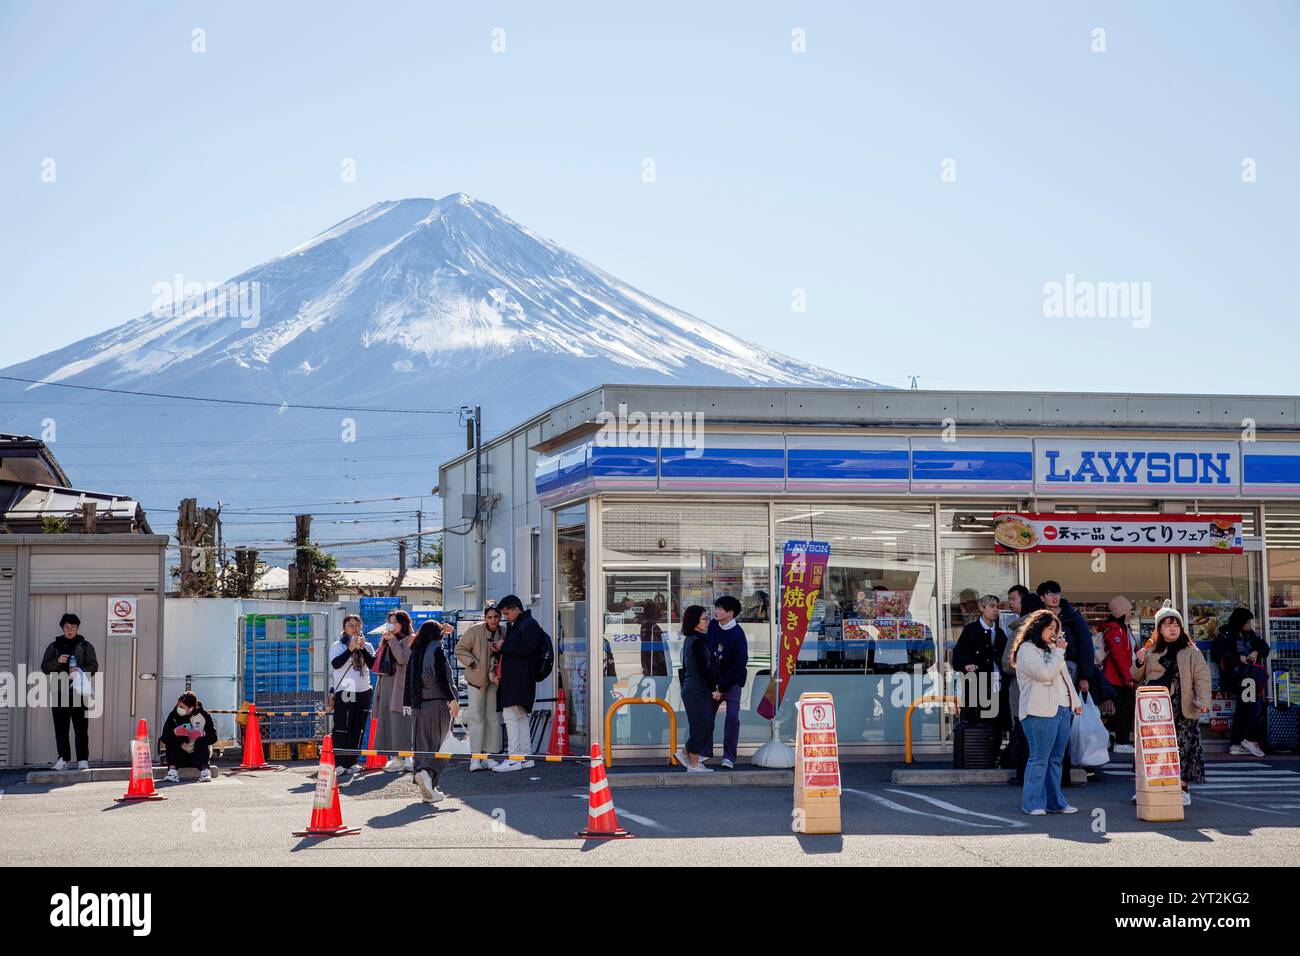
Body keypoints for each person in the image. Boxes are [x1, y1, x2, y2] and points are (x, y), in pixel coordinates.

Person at [1132, 603, 1211, 806]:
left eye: (1176, 624)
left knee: (1184, 747)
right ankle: (1150, 786)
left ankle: (1182, 788)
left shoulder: (1192, 651)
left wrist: (1203, 701)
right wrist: (1139, 662)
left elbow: (1202, 677)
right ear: (1159, 629)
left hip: (1183, 705)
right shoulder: (1150, 652)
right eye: (1167, 625)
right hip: (1156, 707)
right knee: (1155, 747)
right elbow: (1135, 676)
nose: (1172, 628)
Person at [1010, 608, 1083, 815]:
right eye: (1049, 628)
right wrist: (1059, 652)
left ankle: (1055, 802)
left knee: (1056, 758)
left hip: (1062, 708)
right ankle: (1032, 803)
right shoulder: (1027, 649)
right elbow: (1045, 674)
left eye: (1056, 628)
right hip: (1038, 710)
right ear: (1037, 627)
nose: (1053, 632)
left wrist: (1075, 701)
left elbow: (1065, 678)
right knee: (1039, 758)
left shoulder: (1053, 650)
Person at [493, 594, 549, 773]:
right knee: (521, 717)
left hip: (518, 679)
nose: (505, 617)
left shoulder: (527, 624)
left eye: (507, 613)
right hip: (522, 678)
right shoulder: (523, 623)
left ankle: (514, 758)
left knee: (511, 716)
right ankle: (526, 757)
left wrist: (504, 646)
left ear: (517, 609)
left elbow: (528, 650)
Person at [406, 620, 459, 803]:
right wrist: (452, 699)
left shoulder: (416, 650)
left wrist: (407, 702)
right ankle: (428, 776)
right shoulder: (436, 649)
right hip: (437, 703)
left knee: (421, 744)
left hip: (418, 706)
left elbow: (408, 679)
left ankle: (426, 781)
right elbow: (442, 678)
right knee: (438, 744)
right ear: (437, 635)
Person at [40, 613, 99, 771]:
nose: (70, 630)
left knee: (81, 729)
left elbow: (94, 666)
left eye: (73, 627)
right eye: (66, 627)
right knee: (61, 729)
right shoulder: (54, 646)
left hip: (80, 693)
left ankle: (82, 760)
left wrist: (80, 670)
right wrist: (57, 662)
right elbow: (45, 667)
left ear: (77, 628)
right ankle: (63, 759)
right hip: (59, 692)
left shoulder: (85, 646)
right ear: (62, 629)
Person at [1211, 608, 1269, 757]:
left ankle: (1237, 743)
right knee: (1252, 707)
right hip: (1238, 677)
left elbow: (1265, 647)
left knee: (1243, 709)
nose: (1250, 624)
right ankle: (1249, 739)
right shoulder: (1226, 635)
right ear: (1240, 622)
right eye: (1247, 621)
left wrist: (1256, 651)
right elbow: (1216, 654)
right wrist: (1238, 658)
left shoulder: (1250, 635)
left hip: (1247, 677)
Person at [1002, 586, 1045, 784]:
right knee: (1033, 737)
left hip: (1026, 693)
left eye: (1013, 598)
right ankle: (1030, 777)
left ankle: (1025, 776)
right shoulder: (1037, 631)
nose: (1011, 603)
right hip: (1036, 693)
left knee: (1024, 735)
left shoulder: (1023, 632)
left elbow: (1007, 663)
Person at [454, 604, 504, 770]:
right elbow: (459, 649)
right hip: (476, 680)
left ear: (500, 617)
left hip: (494, 680)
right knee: (476, 718)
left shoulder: (504, 632)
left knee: (493, 718)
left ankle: (490, 756)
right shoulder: (474, 631)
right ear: (485, 618)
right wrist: (473, 663)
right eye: (489, 617)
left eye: (496, 617)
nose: (493, 620)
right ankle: (475, 757)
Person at [703, 595, 747, 769]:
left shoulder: (738, 634)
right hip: (714, 681)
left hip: (732, 682)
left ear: (730, 613)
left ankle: (729, 757)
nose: (717, 611)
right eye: (717, 608)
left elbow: (739, 665)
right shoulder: (713, 625)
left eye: (720, 609)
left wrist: (722, 688)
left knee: (732, 718)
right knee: (707, 716)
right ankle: (705, 753)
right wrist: (714, 684)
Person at [951, 594, 1008, 725]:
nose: (996, 610)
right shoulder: (971, 630)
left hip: (998, 683)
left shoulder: (1000, 633)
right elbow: (958, 656)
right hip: (976, 684)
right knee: (976, 726)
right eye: (992, 606)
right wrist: (966, 665)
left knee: (997, 726)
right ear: (982, 608)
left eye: (997, 607)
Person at [673, 605, 717, 773]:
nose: (708, 622)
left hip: (695, 688)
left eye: (708, 618)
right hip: (696, 688)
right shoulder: (696, 641)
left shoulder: (695, 638)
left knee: (704, 725)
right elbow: (703, 669)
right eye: (704, 619)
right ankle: (692, 761)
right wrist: (714, 689)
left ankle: (689, 756)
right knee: (703, 725)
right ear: (694, 621)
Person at [330, 614, 375, 776]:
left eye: (357, 625)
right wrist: (350, 649)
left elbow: (373, 666)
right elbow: (336, 664)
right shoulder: (337, 645)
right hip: (345, 689)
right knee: (342, 726)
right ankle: (338, 762)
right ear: (344, 628)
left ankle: (352, 761)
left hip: (363, 690)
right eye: (350, 625)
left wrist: (362, 648)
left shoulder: (367, 645)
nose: (354, 628)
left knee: (358, 728)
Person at [375, 610, 415, 772]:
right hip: (386, 683)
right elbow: (378, 662)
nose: (391, 626)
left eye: (395, 622)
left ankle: (407, 757)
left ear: (403, 623)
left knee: (402, 721)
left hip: (401, 684)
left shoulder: (410, 639)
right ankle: (394, 758)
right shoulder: (386, 640)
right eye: (390, 622)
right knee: (387, 720)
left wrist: (391, 641)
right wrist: (384, 643)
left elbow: (403, 659)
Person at [1100, 596, 1139, 753]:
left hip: (1120, 677)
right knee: (1124, 710)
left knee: (1120, 711)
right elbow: (1119, 656)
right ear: (1121, 612)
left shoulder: (1122, 628)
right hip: (1118, 678)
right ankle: (1121, 742)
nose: (1131, 613)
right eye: (1129, 610)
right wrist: (1128, 677)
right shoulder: (1116, 630)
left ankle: (1109, 736)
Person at [159, 692, 218, 783]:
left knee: (202, 740)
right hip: (181, 755)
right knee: (172, 739)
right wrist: (175, 732)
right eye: (178, 705)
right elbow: (164, 738)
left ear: (191, 708)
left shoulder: (204, 716)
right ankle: (172, 772)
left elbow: (214, 737)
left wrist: (202, 733)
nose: (179, 709)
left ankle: (205, 771)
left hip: (198, 754)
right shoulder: (173, 716)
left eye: (182, 707)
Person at [639, 600, 667, 676]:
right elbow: (657, 650)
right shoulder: (652, 626)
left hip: (649, 664)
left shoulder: (645, 625)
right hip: (655, 666)